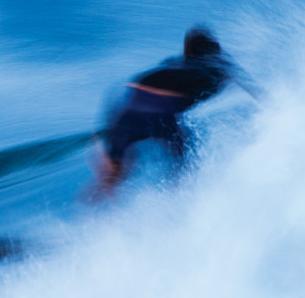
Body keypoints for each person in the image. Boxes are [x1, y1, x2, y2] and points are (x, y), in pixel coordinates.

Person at [93, 26, 250, 197]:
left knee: (112, 177)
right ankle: (177, 207)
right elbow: (256, 91)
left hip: (126, 104)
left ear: (187, 49)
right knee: (185, 166)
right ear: (215, 49)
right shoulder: (219, 67)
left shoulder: (173, 63)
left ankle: (89, 215)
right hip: (161, 112)